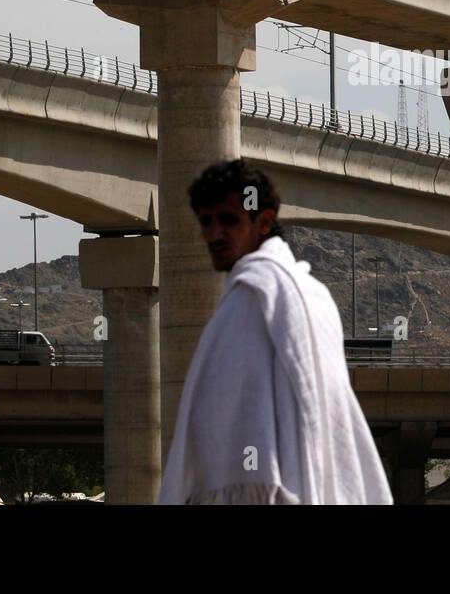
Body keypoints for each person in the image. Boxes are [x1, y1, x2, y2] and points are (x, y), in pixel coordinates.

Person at [158, 159, 392, 504]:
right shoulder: (312, 293)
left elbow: (238, 426)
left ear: (264, 220)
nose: (214, 234)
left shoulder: (252, 299)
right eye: (206, 221)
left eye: (228, 220)